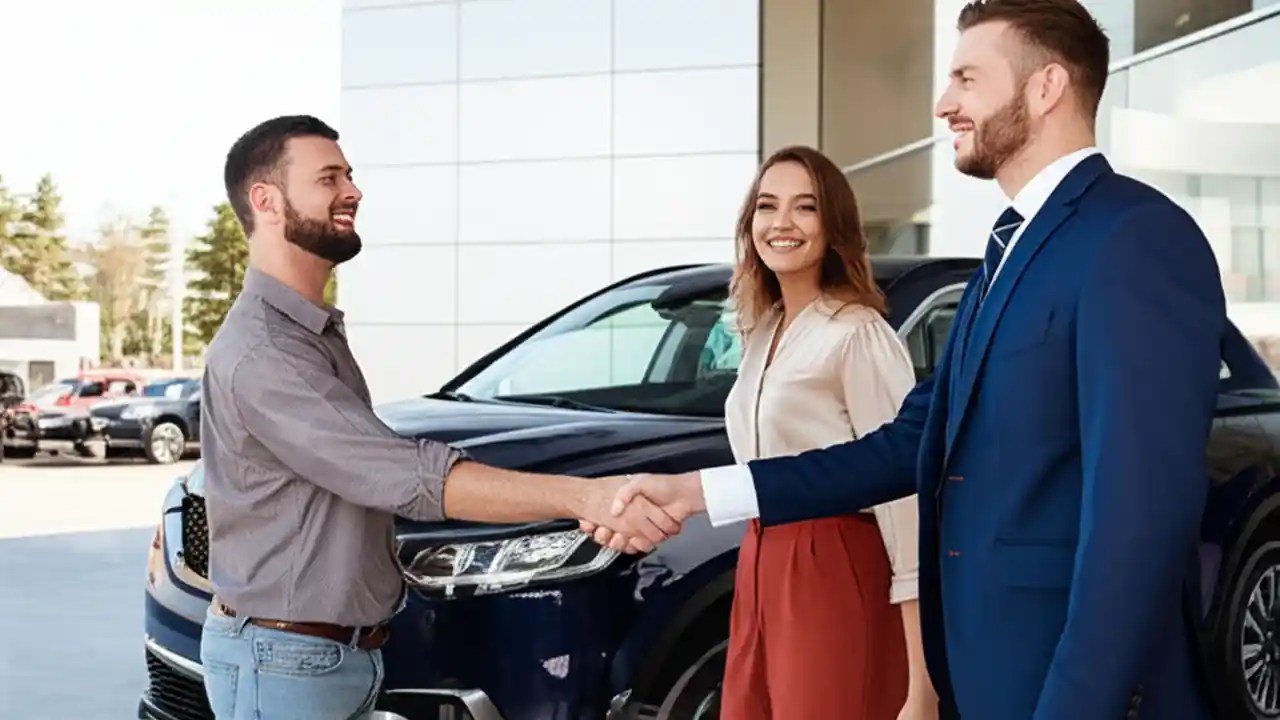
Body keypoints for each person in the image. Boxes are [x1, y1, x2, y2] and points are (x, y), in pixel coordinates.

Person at [591, 2, 1226, 718]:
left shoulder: (1136, 239)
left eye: (965, 78)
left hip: (1066, 688)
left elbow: (1140, 521)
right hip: (989, 676)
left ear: (1045, 88)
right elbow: (903, 445)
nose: (943, 102)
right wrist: (699, 494)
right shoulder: (1008, 251)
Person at [198, 115, 679, 720]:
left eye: (348, 174)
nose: (353, 190)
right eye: (329, 177)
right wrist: (586, 498)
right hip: (287, 662)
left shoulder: (308, 333)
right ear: (266, 201)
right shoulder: (267, 352)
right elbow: (405, 475)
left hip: (326, 656)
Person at [715, 145, 936, 719]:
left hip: (833, 565)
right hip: (760, 561)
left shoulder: (857, 334)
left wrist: (922, 683)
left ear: (832, 225)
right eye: (767, 206)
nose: (781, 223)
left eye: (804, 207)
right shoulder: (762, 332)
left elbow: (905, 498)